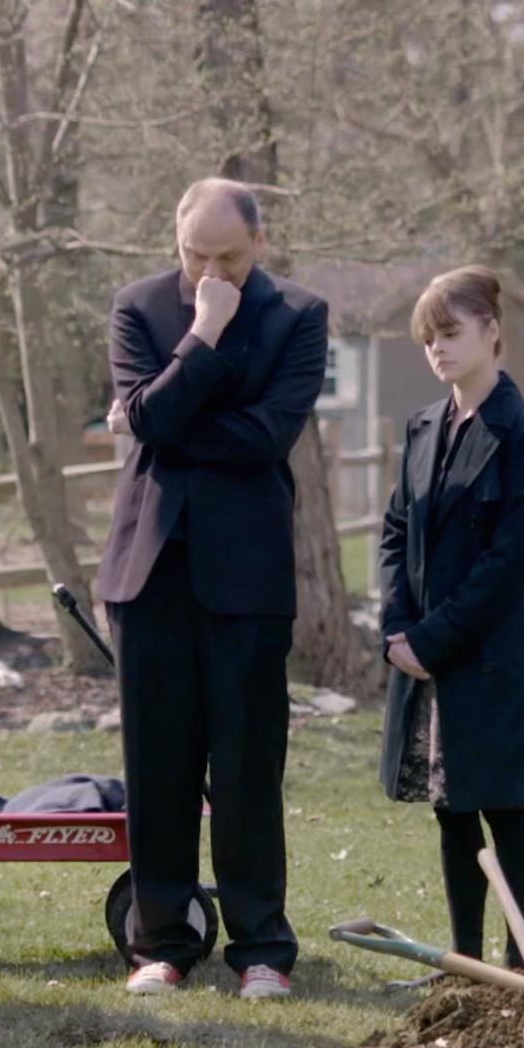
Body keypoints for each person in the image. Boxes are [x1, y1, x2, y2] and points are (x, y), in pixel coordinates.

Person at [98, 178, 329, 999]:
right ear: (176, 238)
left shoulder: (299, 316)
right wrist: (202, 334)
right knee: (155, 765)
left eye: (226, 257)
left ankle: (261, 947)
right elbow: (151, 420)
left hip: (246, 576)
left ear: (256, 245)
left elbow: (267, 435)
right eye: (195, 253)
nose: (209, 270)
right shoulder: (137, 307)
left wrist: (166, 409)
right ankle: (159, 942)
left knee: (245, 766)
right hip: (148, 571)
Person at [376, 266, 524, 971]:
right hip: (422, 654)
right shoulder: (423, 427)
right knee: (449, 809)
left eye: (450, 333)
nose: (438, 349)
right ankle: (463, 960)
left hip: (489, 655)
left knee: (501, 808)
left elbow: (507, 561)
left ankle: (519, 967)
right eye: (428, 338)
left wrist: (431, 640)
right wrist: (398, 628)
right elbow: (395, 530)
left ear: (491, 331)